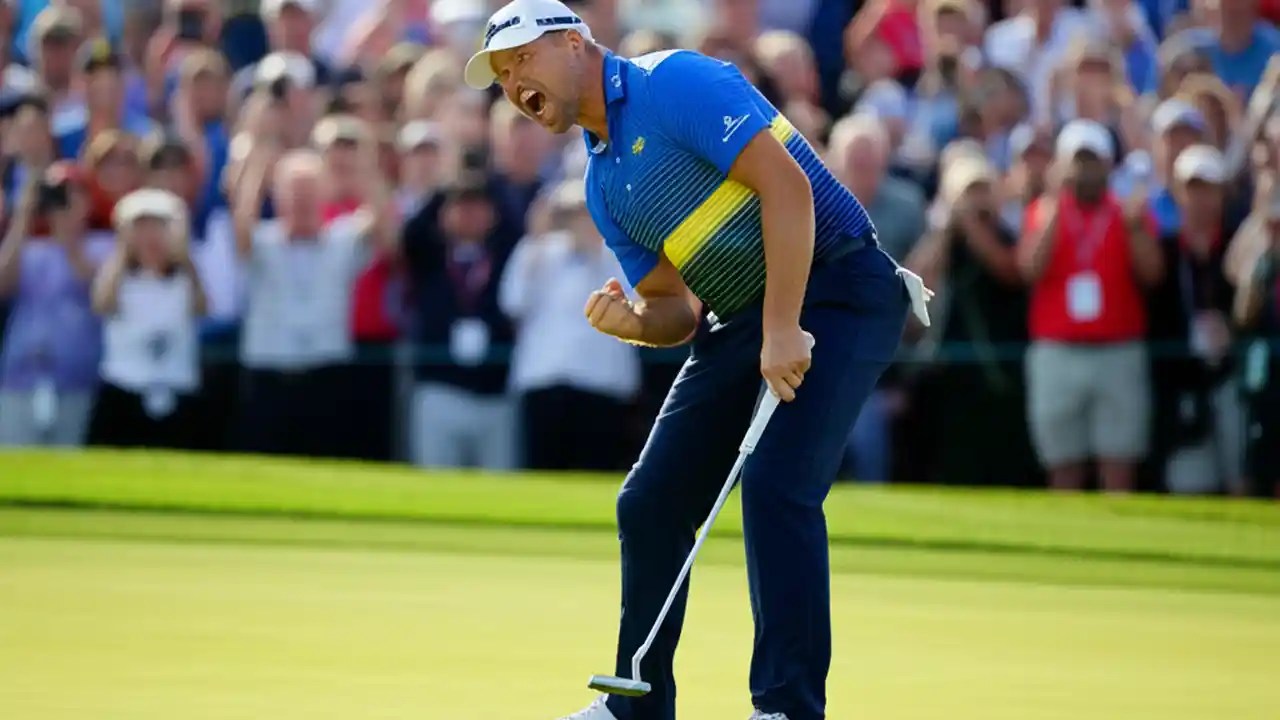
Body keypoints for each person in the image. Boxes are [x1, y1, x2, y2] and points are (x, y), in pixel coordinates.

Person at [464, 1, 924, 718]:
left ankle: (787, 706)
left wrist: (781, 328)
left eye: (522, 58)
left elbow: (788, 187)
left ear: (576, 42)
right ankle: (635, 705)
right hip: (742, 317)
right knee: (650, 500)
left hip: (841, 285)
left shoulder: (670, 81)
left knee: (777, 486)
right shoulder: (602, 182)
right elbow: (676, 309)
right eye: (501, 74)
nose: (514, 82)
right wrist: (636, 323)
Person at [1018, 119, 1164, 493]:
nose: (1085, 170)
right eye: (1077, 161)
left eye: (1092, 161)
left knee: (1118, 467)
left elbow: (1153, 275)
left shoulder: (1127, 212)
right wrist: (1053, 209)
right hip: (1058, 352)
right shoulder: (1043, 211)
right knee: (1062, 466)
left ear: (1108, 165)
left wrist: (1134, 228)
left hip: (1117, 350)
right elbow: (1030, 268)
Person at [499, 179, 641, 471]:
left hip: (601, 386)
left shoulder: (619, 255)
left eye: (587, 213)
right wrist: (535, 239)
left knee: (595, 473)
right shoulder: (538, 252)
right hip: (543, 383)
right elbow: (512, 301)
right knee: (541, 475)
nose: (581, 222)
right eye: (573, 215)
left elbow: (638, 304)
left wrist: (595, 254)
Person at [1147, 144, 1244, 494]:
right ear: (1176, 192)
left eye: (1209, 188)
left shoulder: (1238, 243)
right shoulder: (1166, 250)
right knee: (1189, 485)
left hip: (1234, 377)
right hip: (1182, 384)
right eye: (1192, 188)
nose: (1201, 198)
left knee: (1241, 478)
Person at [0, 161, 115, 446]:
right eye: (58, 195)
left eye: (72, 194)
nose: (62, 203)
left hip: (75, 381)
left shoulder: (104, 246)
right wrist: (23, 216)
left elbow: (93, 285)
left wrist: (69, 233)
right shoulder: (31, 250)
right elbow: (3, 284)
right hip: (21, 377)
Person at [87, 188, 206, 448]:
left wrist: (182, 251)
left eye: (159, 227)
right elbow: (101, 303)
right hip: (124, 391)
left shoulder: (186, 278)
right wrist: (123, 249)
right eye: (141, 227)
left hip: (177, 391)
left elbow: (202, 306)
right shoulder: (118, 278)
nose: (150, 236)